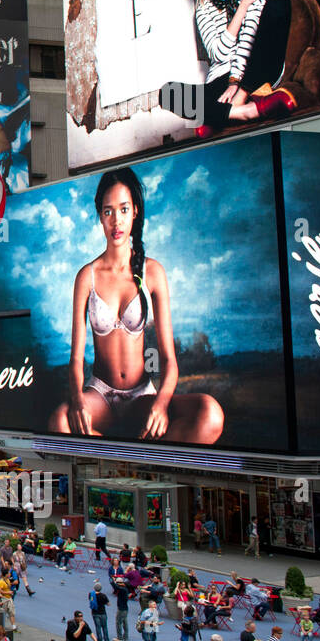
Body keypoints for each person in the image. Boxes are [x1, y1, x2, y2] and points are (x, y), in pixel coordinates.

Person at [48, 167, 224, 444]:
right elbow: (76, 359)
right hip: (100, 396)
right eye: (107, 211)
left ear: (135, 211)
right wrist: (78, 399)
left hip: (141, 396)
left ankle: (127, 452)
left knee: (210, 414)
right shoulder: (86, 276)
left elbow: (169, 361)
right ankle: (133, 455)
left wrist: (162, 403)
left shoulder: (153, 272)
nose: (116, 221)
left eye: (123, 209)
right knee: (59, 421)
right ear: (100, 216)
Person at [160, 0, 299, 133]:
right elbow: (218, 54)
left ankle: (219, 115)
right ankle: (242, 112)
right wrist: (243, 5)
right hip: (222, 82)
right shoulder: (203, 10)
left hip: (256, 67)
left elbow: (252, 28)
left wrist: (239, 86)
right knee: (168, 93)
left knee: (279, 1)